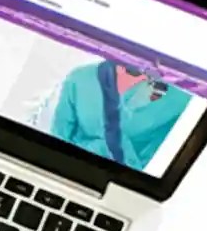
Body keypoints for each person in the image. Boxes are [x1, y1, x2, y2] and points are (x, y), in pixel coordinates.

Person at [50, 60, 190, 171]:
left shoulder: (180, 100)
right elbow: (56, 143)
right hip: (68, 170)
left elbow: (153, 166)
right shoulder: (80, 78)